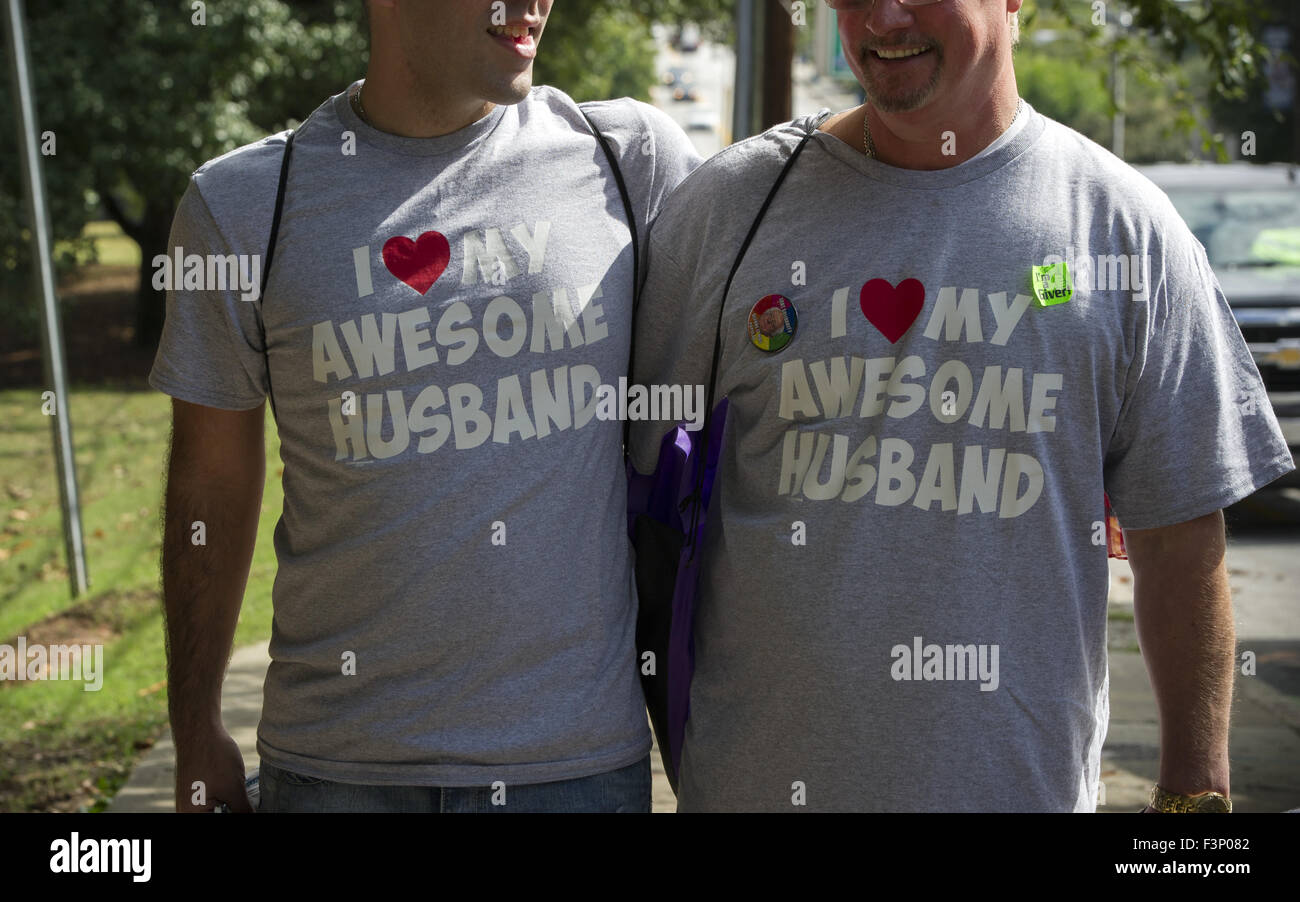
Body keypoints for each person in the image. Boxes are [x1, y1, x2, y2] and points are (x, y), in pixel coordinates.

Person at [628, 0, 1295, 811]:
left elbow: (1182, 539)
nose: (883, 17)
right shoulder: (729, 212)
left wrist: (1196, 800)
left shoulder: (1125, 233)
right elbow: (621, 495)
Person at [152, 0, 700, 813]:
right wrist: (195, 729)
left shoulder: (628, 161)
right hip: (335, 770)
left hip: (572, 769)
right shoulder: (243, 207)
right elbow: (210, 485)